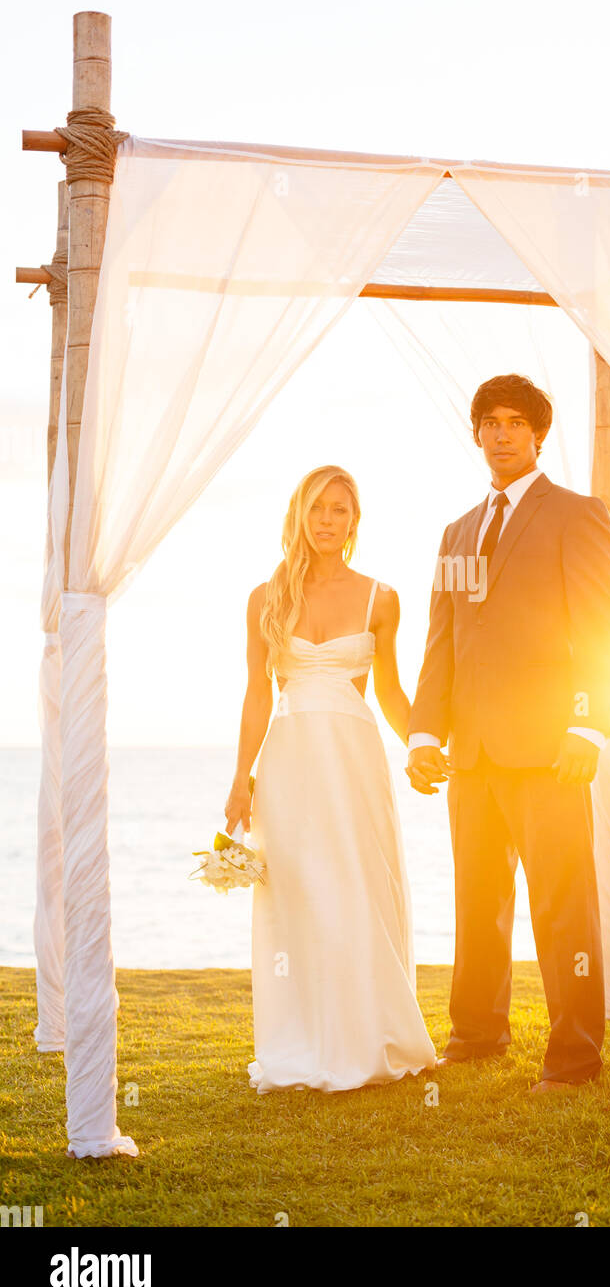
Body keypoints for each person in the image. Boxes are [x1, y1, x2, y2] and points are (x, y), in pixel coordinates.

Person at [406, 374, 610, 1093]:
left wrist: (588, 726)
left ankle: (574, 1059)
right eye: (489, 422)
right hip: (470, 755)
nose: (501, 434)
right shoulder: (457, 532)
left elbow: (599, 626)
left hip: (550, 748)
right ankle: (475, 1036)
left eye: (514, 423)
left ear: (538, 434)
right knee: (478, 901)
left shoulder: (576, 515)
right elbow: (444, 641)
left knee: (564, 905)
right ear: (476, 434)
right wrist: (422, 736)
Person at [225, 464, 436, 1093]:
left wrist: (422, 744)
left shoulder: (382, 598)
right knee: (297, 893)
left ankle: (371, 1032)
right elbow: (256, 695)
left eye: (340, 510)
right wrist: (242, 777)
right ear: (299, 513)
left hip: (352, 757)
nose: (328, 520)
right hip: (287, 760)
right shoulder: (266, 598)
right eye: (318, 507)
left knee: (357, 884)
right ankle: (305, 1039)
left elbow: (392, 692)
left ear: (355, 521)